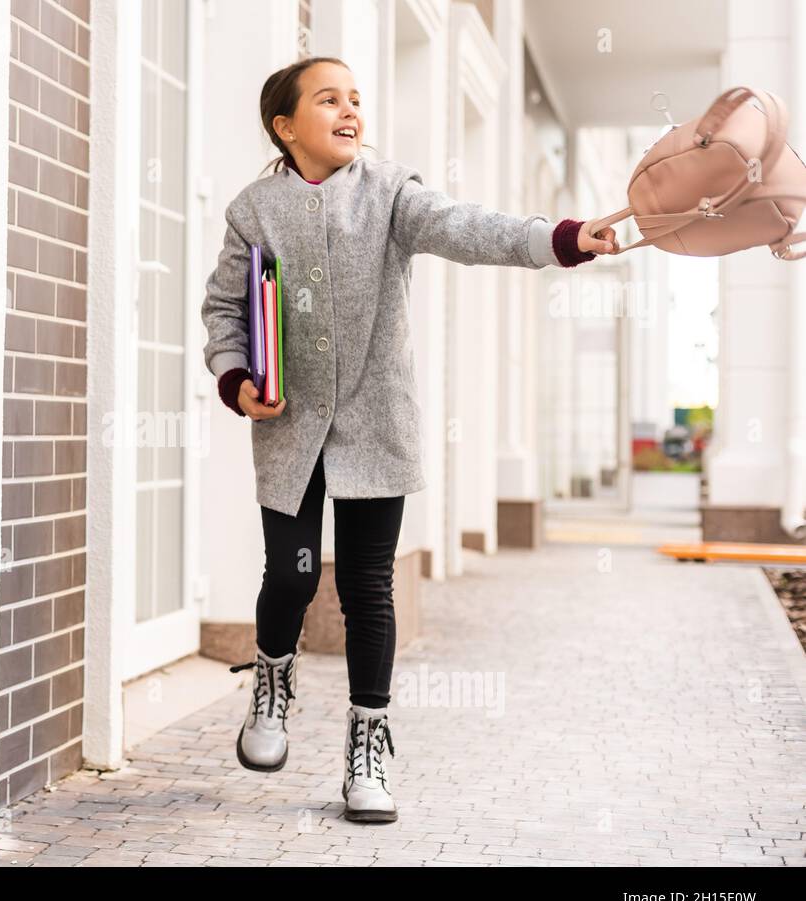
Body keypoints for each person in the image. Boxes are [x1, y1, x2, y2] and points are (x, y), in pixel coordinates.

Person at [202, 56, 617, 824]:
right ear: (286, 127)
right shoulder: (253, 209)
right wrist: (236, 380)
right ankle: (272, 680)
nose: (350, 110)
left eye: (357, 98)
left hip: (375, 423)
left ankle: (368, 747)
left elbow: (469, 228)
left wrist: (566, 238)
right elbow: (225, 309)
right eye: (329, 100)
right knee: (292, 576)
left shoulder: (391, 192)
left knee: (367, 588)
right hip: (291, 428)